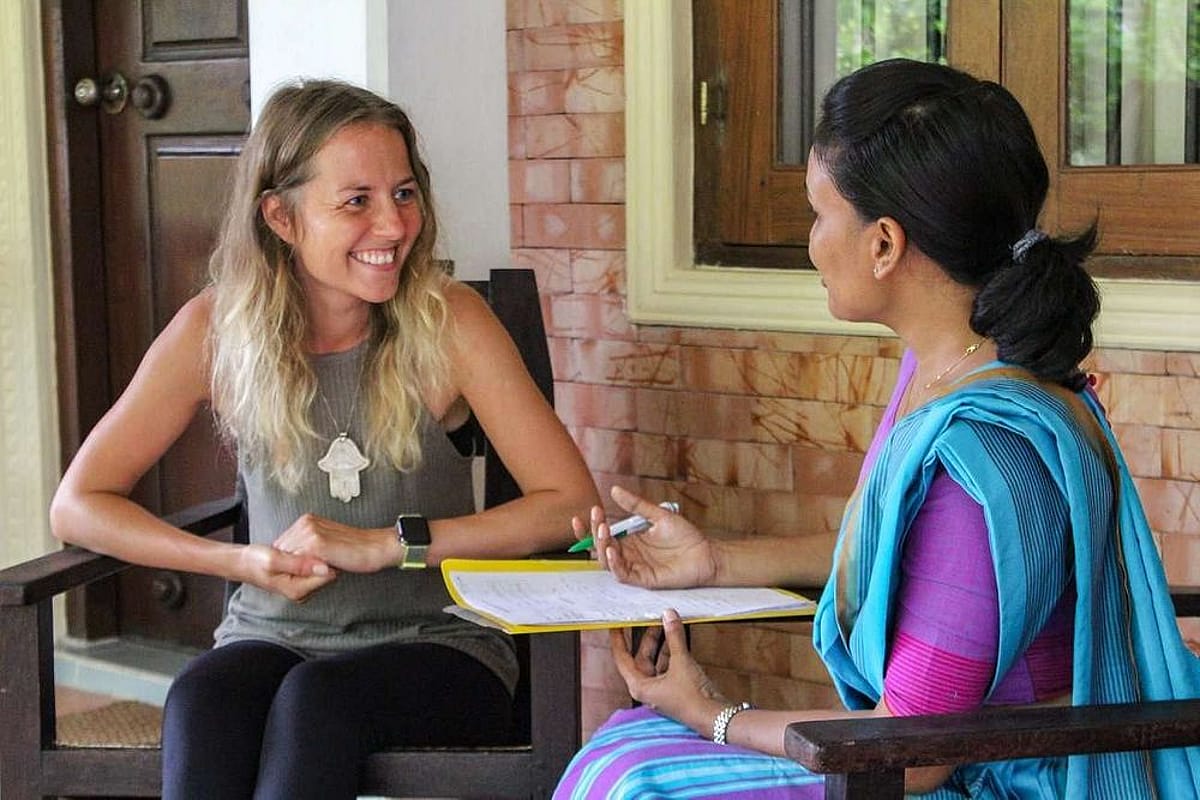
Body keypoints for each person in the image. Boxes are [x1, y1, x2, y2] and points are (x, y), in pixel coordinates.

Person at [553, 58, 1200, 799]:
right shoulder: (954, 374)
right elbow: (911, 562)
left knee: (635, 782)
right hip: (952, 750)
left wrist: (714, 714)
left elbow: (915, 753)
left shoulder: (980, 448)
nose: (810, 243)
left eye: (818, 213)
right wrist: (718, 560)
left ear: (885, 244)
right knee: (624, 741)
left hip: (998, 778)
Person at [49, 78, 599, 800]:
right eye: (356, 201)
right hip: (270, 635)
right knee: (202, 700)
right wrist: (237, 560)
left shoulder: (452, 323)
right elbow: (79, 503)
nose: (395, 226)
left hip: (438, 645)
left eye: (405, 194)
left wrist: (392, 545)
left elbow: (571, 504)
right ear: (281, 216)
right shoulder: (214, 333)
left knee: (317, 702)